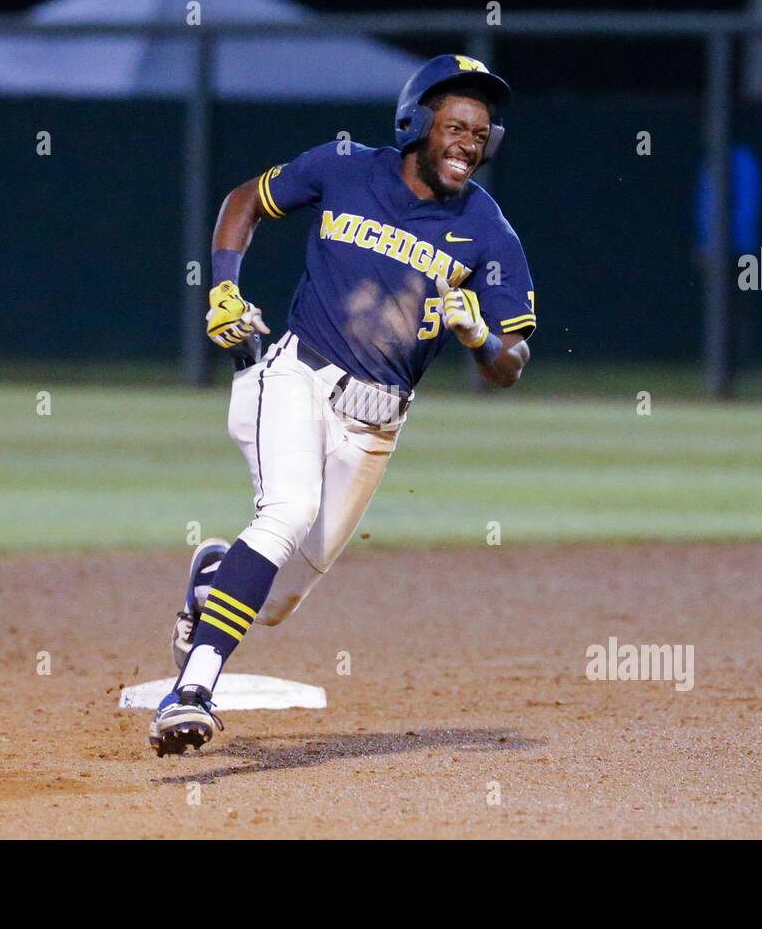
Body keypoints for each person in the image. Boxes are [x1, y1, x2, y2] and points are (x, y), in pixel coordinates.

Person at [150, 54, 537, 756]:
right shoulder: (345, 167)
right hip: (295, 376)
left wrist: (480, 336)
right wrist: (224, 290)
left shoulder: (489, 231)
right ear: (415, 123)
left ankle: (213, 575)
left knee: (276, 602)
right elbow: (244, 201)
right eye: (454, 126)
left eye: (480, 135)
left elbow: (511, 363)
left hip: (376, 425)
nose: (468, 144)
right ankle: (194, 690)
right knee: (287, 511)